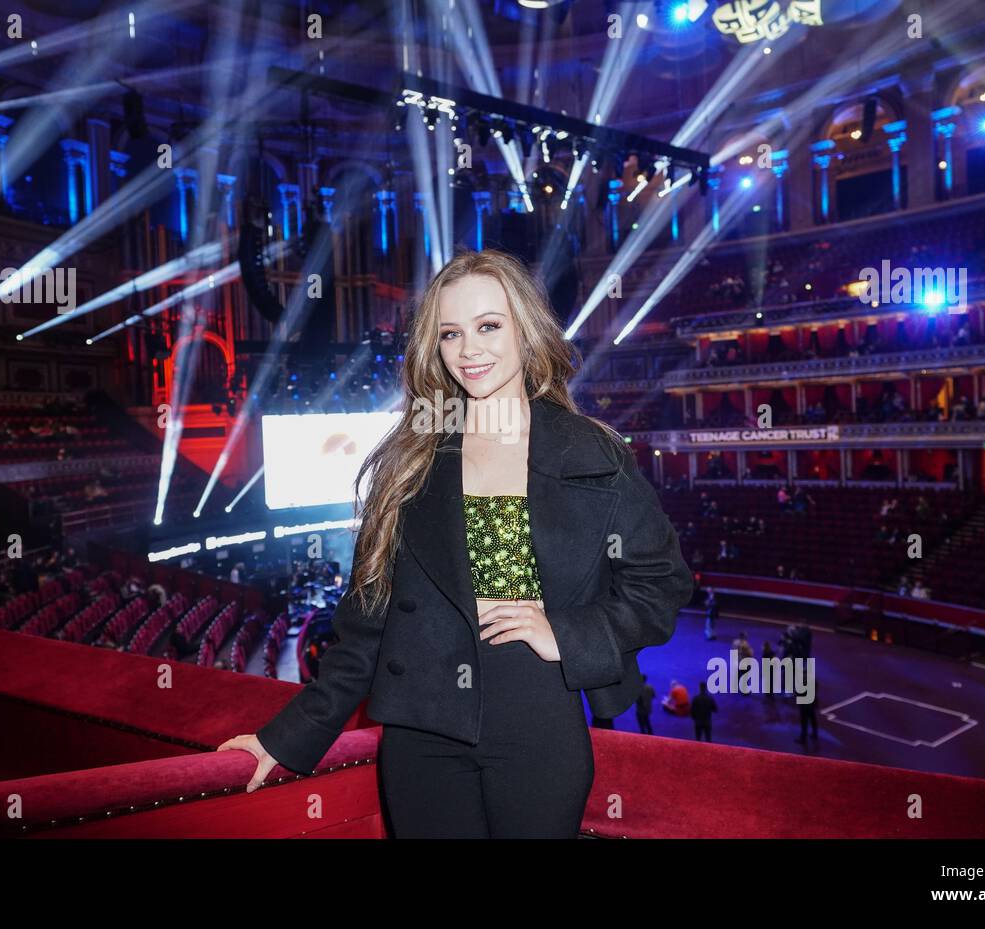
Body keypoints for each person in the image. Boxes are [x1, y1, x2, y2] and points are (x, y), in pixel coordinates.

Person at [218, 249, 693, 838]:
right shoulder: (411, 456)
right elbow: (368, 618)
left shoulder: (591, 451)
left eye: (488, 326)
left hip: (538, 723)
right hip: (424, 734)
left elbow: (662, 586)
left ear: (526, 330)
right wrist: (287, 735)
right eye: (450, 333)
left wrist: (564, 633)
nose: (469, 350)